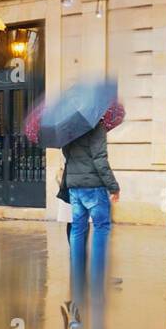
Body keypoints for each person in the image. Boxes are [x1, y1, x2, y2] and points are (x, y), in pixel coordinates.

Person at [63, 120, 119, 302]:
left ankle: (78, 276)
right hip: (93, 185)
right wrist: (113, 186)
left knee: (78, 228)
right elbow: (99, 158)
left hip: (74, 185)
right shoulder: (96, 126)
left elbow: (67, 153)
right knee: (101, 227)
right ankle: (97, 277)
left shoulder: (68, 126)